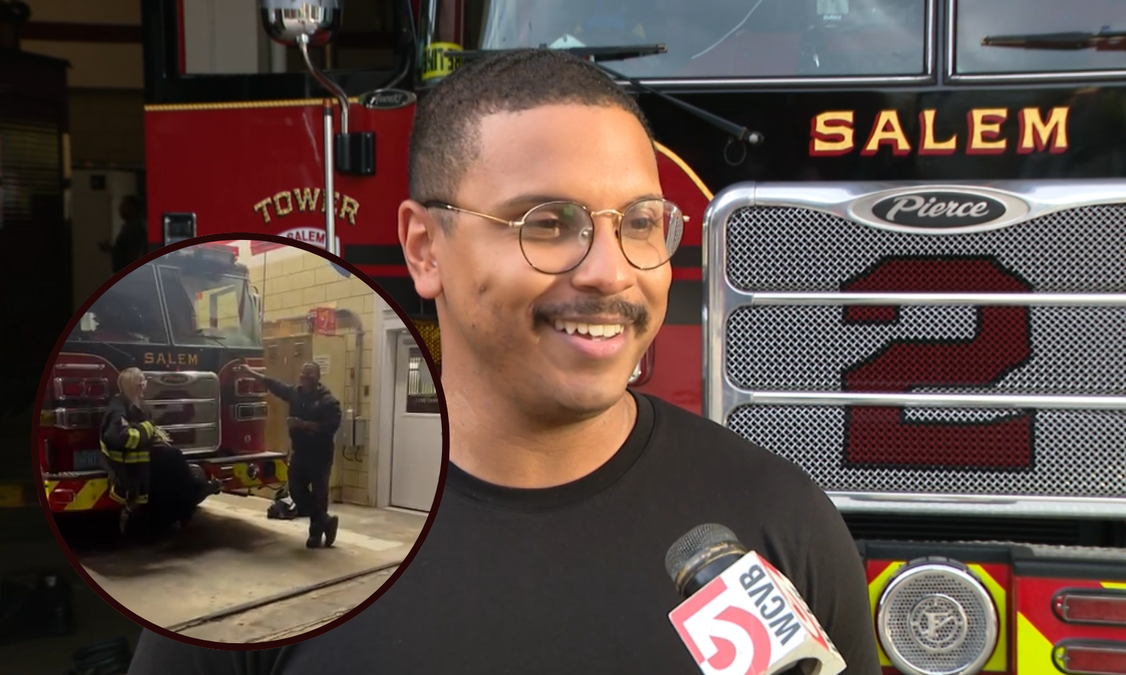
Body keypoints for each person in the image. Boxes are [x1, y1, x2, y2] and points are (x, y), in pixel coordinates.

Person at [127, 49, 881, 674]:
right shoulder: (258, 591)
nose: (611, 272)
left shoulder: (781, 522)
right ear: (425, 248)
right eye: (549, 223)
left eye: (642, 223)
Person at [232, 359, 342, 549]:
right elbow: (274, 385)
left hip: (320, 456)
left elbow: (331, 427)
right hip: (300, 453)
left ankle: (315, 535)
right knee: (296, 491)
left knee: (319, 495)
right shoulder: (294, 393)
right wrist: (251, 372)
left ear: (318, 378)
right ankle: (325, 520)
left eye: (310, 374)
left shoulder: (328, 401)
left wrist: (302, 424)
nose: (305, 377)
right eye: (303, 374)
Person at [100, 368, 212, 536]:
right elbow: (121, 437)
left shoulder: (137, 404)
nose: (145, 385)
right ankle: (191, 498)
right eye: (142, 382)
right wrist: (149, 430)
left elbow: (144, 429)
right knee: (174, 458)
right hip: (126, 464)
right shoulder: (118, 409)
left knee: (173, 460)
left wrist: (156, 438)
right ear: (135, 385)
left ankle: (185, 504)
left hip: (142, 457)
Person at [98, 195, 148, 274]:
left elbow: (134, 256)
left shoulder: (135, 228)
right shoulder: (131, 226)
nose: (119, 209)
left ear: (132, 208)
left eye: (123, 205)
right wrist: (112, 249)